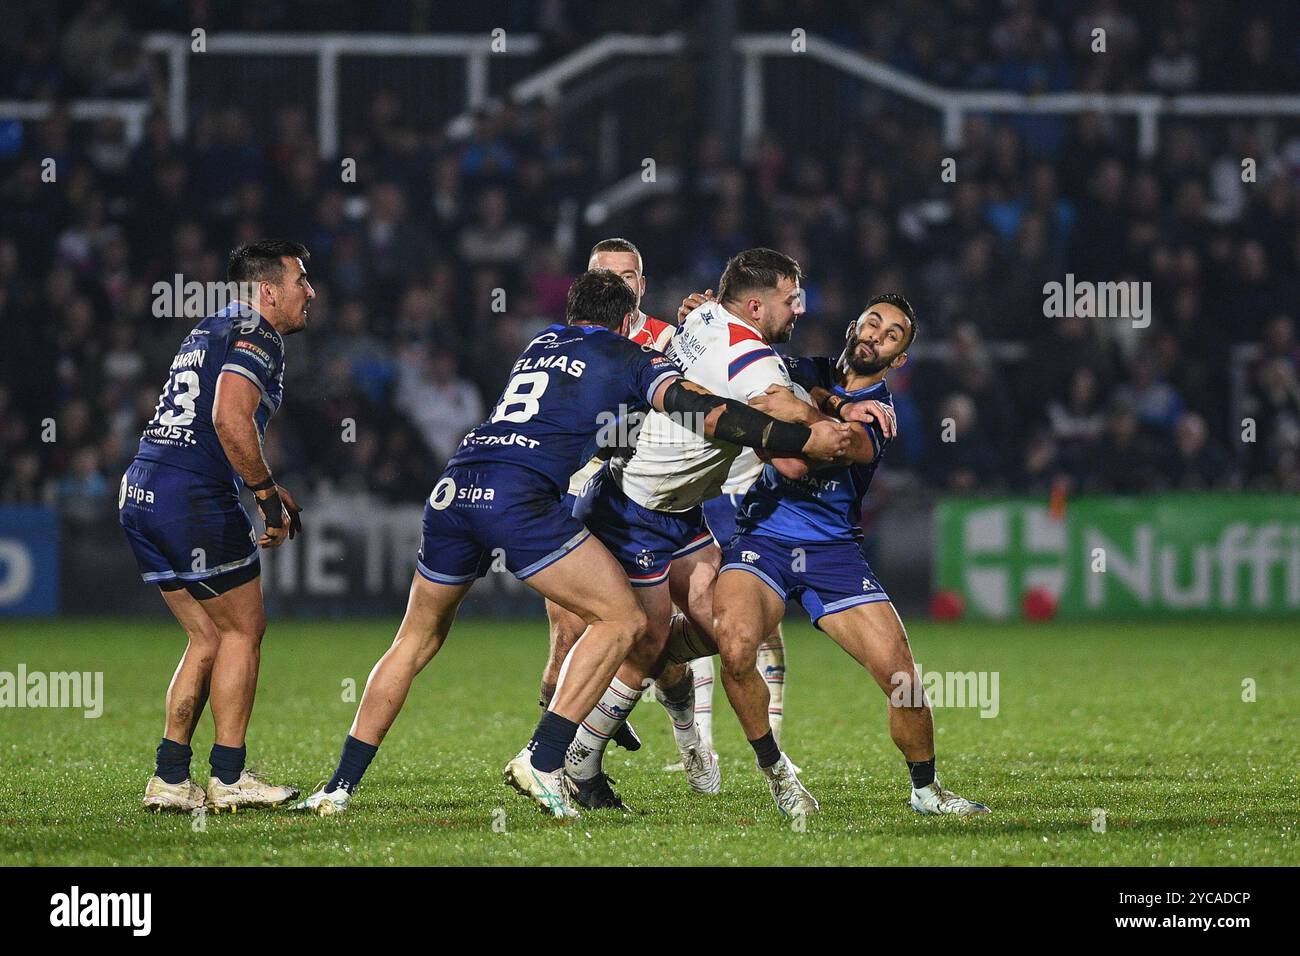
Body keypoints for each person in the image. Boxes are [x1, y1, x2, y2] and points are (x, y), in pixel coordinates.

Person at [293, 269, 851, 818]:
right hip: (519, 499)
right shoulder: (631, 358)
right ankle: (545, 756)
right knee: (622, 622)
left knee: (413, 640)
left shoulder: (539, 343)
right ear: (629, 319)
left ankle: (339, 788)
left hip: (456, 484)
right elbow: (703, 414)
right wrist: (797, 435)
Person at [708, 293, 989, 817]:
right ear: (854, 325)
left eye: (892, 336)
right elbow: (736, 354)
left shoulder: (882, 414)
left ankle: (926, 791)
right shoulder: (805, 367)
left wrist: (767, 424)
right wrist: (709, 312)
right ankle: (776, 771)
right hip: (763, 537)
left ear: (897, 358)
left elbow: (813, 455)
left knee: (901, 678)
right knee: (737, 647)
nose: (876, 336)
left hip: (832, 550)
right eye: (873, 323)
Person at [121, 239, 312, 812]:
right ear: (268, 290)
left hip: (142, 487)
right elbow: (229, 419)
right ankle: (229, 776)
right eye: (301, 280)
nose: (311, 292)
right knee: (242, 630)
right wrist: (263, 496)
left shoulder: (214, 325)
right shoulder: (257, 332)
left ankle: (170, 778)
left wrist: (262, 482)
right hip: (191, 498)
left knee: (206, 636)